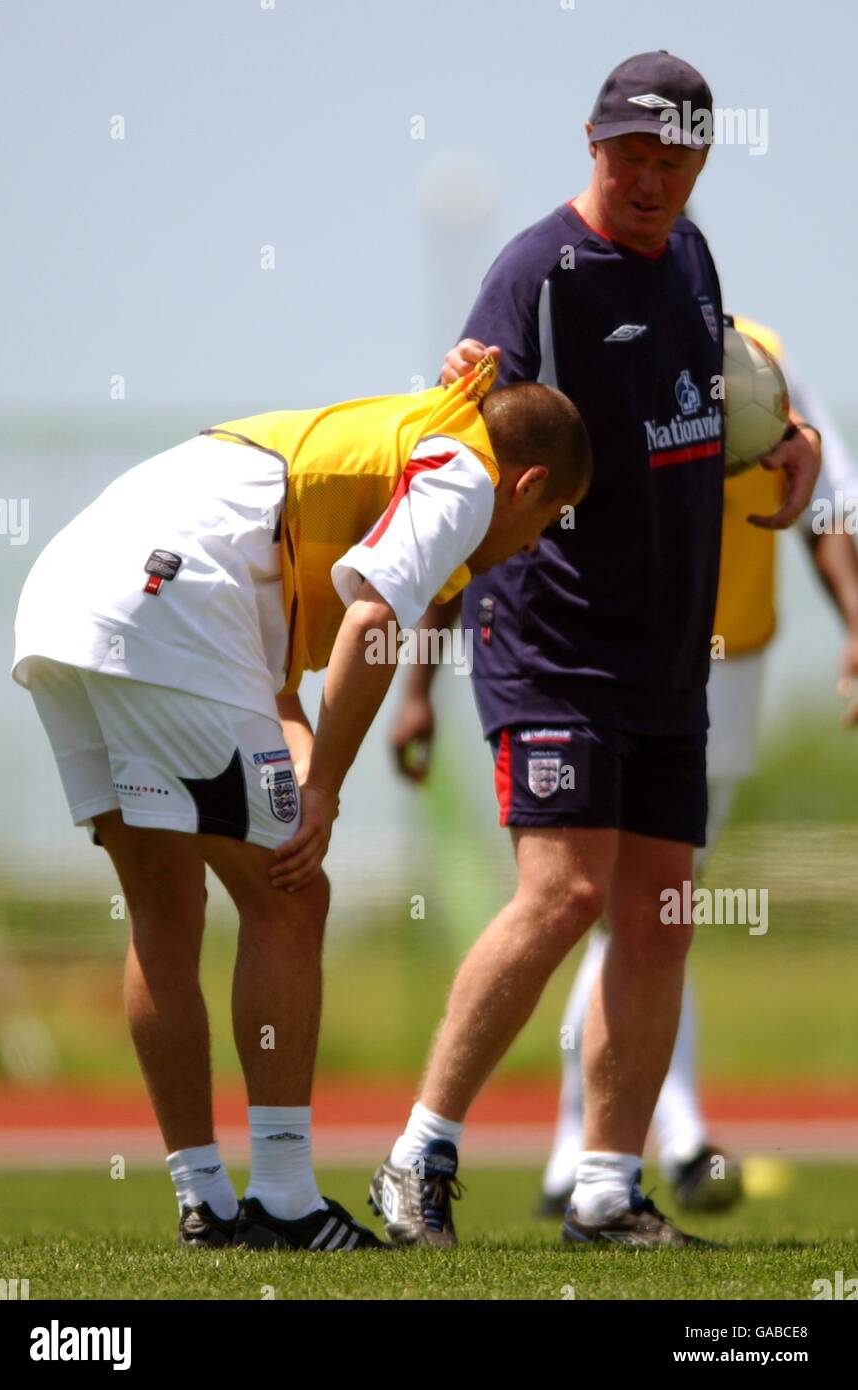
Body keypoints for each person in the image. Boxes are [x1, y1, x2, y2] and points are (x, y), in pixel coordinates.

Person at [369, 50, 820, 1250]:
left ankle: (609, 1190)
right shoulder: (533, 275)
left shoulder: (693, 259)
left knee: (658, 913)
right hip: (552, 641)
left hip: (670, 656)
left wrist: (792, 441)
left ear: (700, 161)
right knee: (561, 895)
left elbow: (710, 409)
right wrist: (418, 678)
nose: (649, 179)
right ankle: (417, 1157)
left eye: (672, 160)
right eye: (630, 155)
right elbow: (456, 464)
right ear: (590, 140)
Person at [11, 357, 591, 1251]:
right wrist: (322, 794)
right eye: (547, 522)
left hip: (67, 601)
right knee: (289, 891)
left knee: (163, 908)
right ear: (532, 483)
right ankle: (283, 1201)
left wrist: (306, 777)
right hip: (167, 598)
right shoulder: (469, 471)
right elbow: (372, 624)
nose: (532, 548)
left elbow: (273, 696)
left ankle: (205, 1203)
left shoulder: (353, 475)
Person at [537, 320, 858, 1216]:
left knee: (651, 903)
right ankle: (673, 1137)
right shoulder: (584, 343)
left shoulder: (759, 359)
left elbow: (826, 497)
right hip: (617, 652)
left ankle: (579, 1146)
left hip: (731, 658)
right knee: (625, 901)